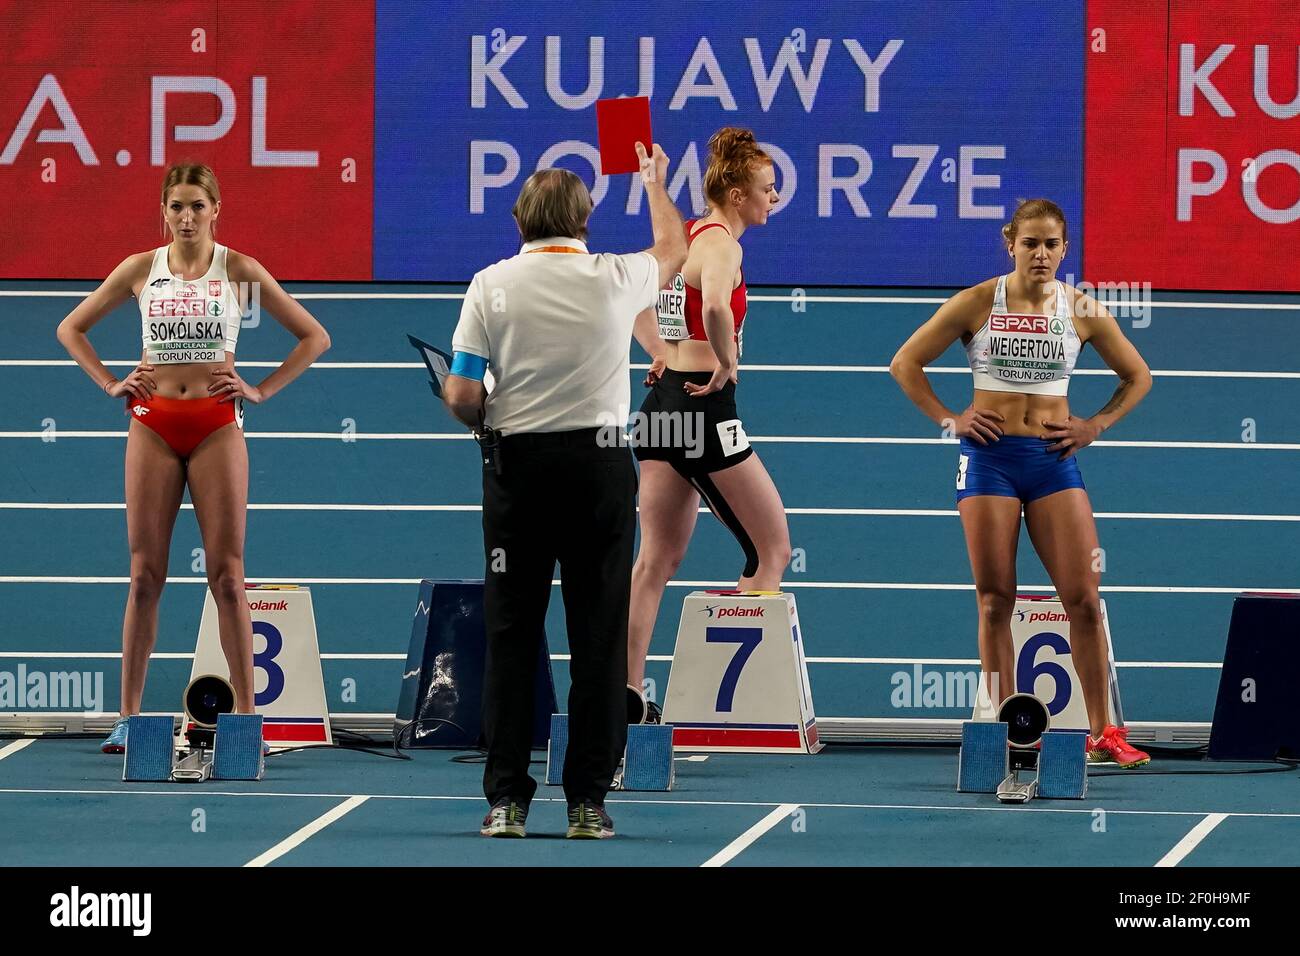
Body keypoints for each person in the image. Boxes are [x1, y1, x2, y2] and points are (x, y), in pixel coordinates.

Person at [444, 144, 686, 839]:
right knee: (600, 636)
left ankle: (507, 802)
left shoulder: (488, 284)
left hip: (518, 472)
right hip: (601, 471)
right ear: (584, 221)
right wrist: (654, 182)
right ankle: (587, 801)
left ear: (520, 220)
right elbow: (672, 245)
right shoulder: (615, 276)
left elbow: (462, 391)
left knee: (513, 635)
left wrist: (480, 415)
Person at [56, 162, 331, 755]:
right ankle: (129, 716)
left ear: (215, 210)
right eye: (176, 207)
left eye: (197, 207)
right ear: (163, 211)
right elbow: (71, 329)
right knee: (144, 576)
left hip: (216, 426)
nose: (186, 217)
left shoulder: (240, 269)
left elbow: (314, 336)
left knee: (228, 577)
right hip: (153, 425)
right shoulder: (139, 270)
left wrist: (261, 388)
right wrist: (110, 382)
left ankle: (245, 723)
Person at [890, 198, 1152, 767]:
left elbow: (1139, 376)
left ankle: (1104, 732)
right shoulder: (978, 302)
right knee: (994, 601)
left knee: (1083, 598)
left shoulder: (1081, 309)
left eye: (1050, 244)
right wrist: (949, 418)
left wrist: (1095, 425)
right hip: (989, 460)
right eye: (1029, 242)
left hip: (1053, 461)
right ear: (1010, 243)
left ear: (1064, 249)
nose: (1040, 254)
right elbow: (905, 362)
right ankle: (1003, 726)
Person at [626, 127, 789, 718]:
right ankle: (743, 707)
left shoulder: (684, 237)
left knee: (655, 561)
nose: (774, 198)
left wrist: (661, 350)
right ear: (739, 196)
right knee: (771, 550)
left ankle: (626, 694)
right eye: (768, 189)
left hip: (661, 410)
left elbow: (638, 297)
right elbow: (718, 306)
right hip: (704, 409)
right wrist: (727, 362)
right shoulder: (722, 245)